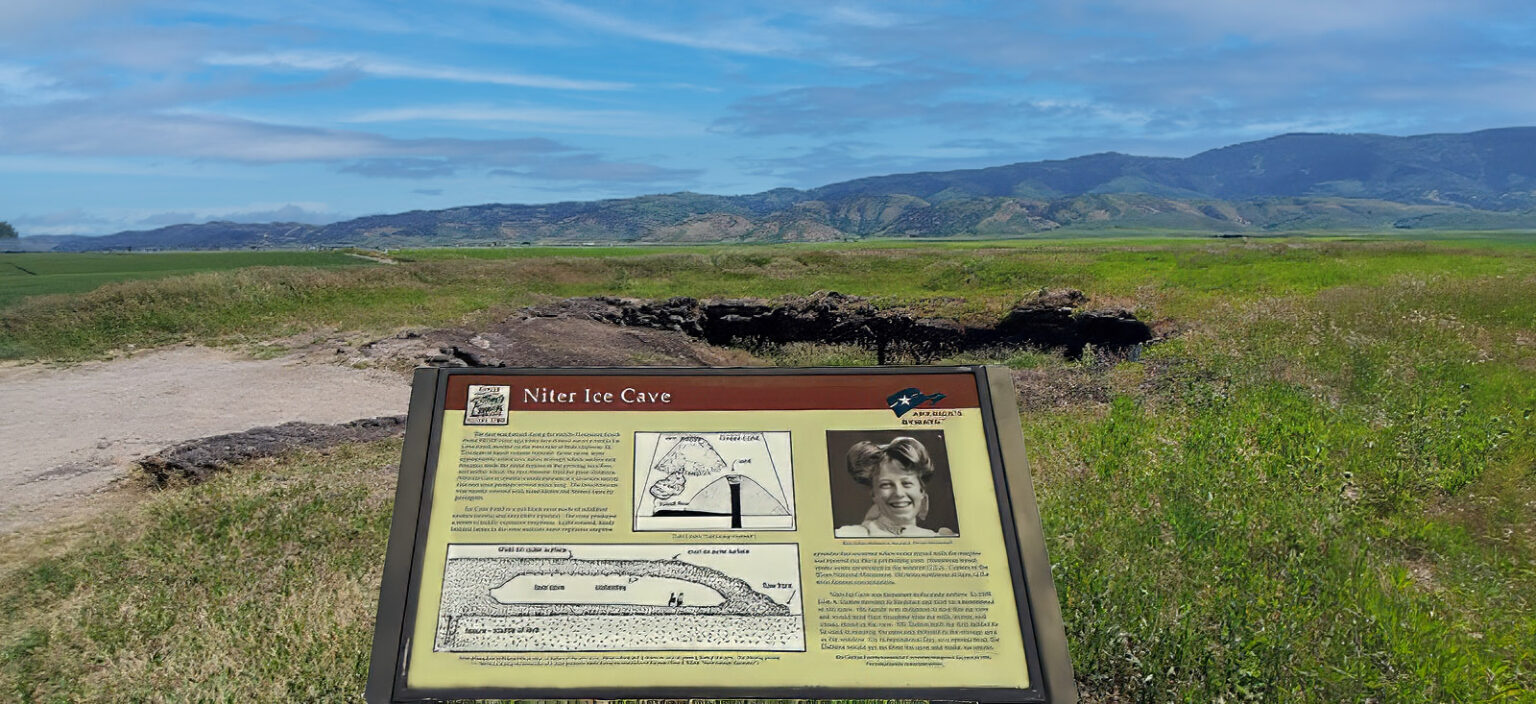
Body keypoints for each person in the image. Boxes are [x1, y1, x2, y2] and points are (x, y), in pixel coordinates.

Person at [834, 437, 956, 538]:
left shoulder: (942, 538)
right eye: (886, 484)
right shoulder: (850, 535)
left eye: (907, 483)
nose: (899, 493)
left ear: (921, 491)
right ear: (873, 493)